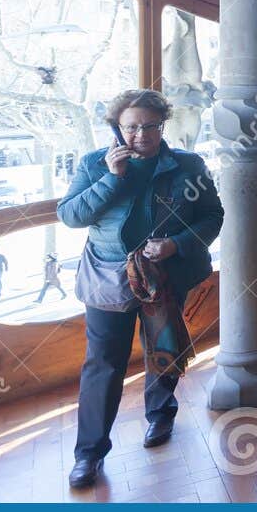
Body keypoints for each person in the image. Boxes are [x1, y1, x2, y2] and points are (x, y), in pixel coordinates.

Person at [57, 89, 223, 489]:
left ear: (162, 126)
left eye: (150, 126)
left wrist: (176, 244)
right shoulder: (95, 163)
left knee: (163, 345)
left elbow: (213, 216)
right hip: (109, 276)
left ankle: (161, 414)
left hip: (165, 274)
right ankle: (89, 453)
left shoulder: (187, 165)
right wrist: (110, 180)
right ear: (117, 128)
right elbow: (71, 215)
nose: (141, 135)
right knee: (103, 363)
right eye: (131, 127)